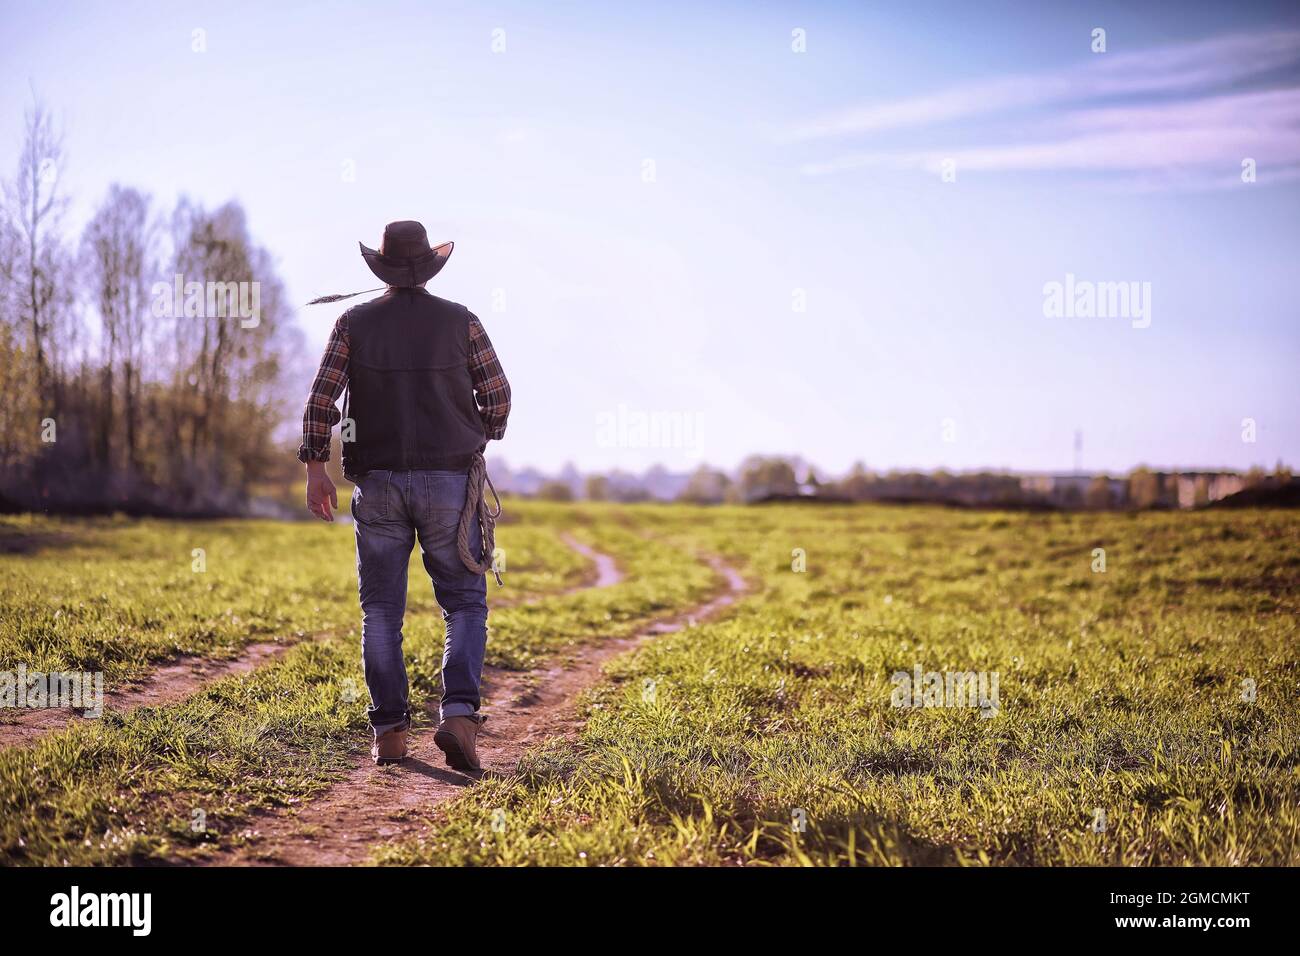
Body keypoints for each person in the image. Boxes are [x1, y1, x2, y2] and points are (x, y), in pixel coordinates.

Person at [297, 220, 511, 772]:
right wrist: (475, 435)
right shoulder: (463, 322)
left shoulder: (352, 322)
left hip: (378, 483)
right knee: (464, 602)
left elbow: (322, 400)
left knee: (381, 610)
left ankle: (390, 733)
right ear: (430, 267)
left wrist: (315, 469)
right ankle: (459, 716)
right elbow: (499, 396)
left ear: (383, 269)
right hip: (450, 482)